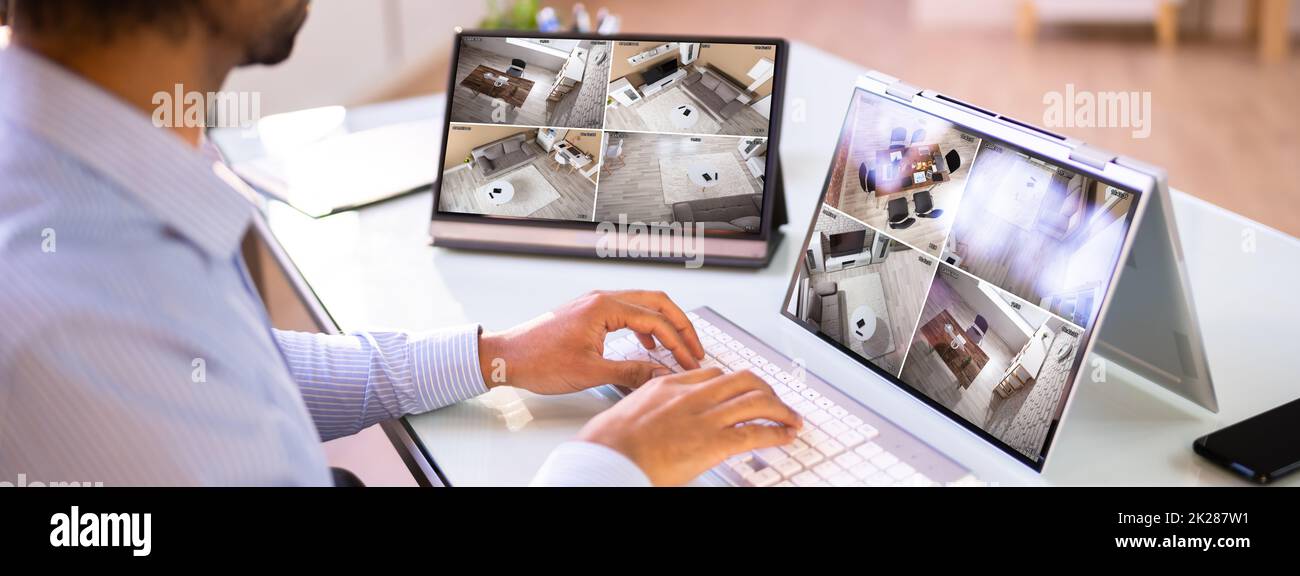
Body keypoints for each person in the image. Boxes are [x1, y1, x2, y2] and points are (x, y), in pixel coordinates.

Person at [0, 0, 801, 487]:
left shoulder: (67, 163)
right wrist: (610, 463)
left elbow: (226, 376)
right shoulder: (66, 320)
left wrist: (496, 355)